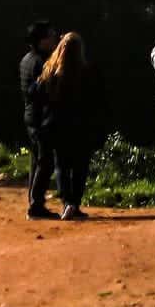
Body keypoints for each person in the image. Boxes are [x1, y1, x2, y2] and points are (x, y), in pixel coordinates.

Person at [35, 31, 99, 219]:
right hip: (81, 125)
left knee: (61, 165)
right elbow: (95, 102)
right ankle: (76, 203)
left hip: (57, 125)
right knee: (80, 167)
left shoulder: (51, 71)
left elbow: (37, 93)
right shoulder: (86, 71)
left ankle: (67, 202)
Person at [20, 20, 58, 220]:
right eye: (51, 35)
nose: (55, 38)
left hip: (30, 116)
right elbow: (40, 91)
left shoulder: (27, 59)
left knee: (37, 160)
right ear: (42, 40)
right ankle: (36, 205)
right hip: (40, 118)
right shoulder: (41, 63)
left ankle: (34, 201)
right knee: (46, 162)